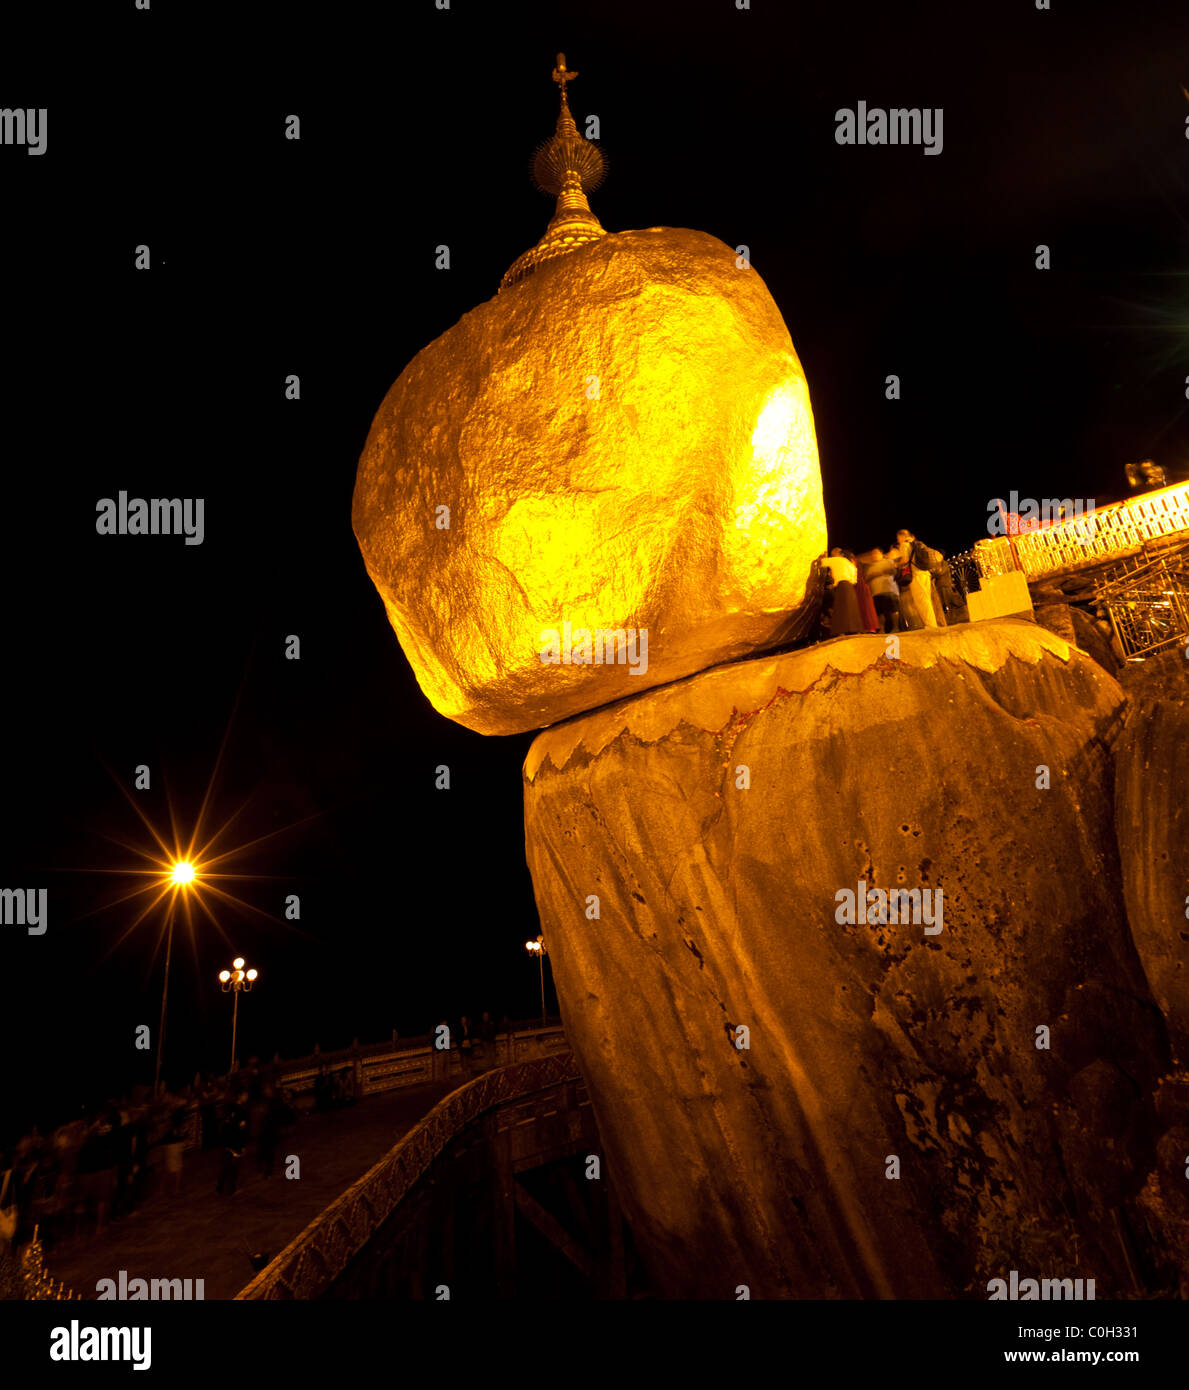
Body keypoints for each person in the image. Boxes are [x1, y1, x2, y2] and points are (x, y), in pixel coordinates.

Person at [821, 549, 864, 637]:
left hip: (841, 585)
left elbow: (822, 562)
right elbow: (854, 580)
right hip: (850, 586)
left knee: (841, 608)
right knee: (851, 608)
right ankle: (854, 629)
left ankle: (842, 630)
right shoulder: (850, 564)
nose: (832, 555)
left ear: (838, 554)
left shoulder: (837, 560)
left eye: (833, 554)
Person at [215, 1094, 249, 1197]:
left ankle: (220, 1188)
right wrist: (242, 1145)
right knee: (234, 1167)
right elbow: (241, 1129)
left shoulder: (230, 1108)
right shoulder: (241, 1111)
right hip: (235, 1142)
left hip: (227, 1141)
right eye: (244, 1094)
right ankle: (232, 1189)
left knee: (226, 1166)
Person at [862, 548, 901, 633]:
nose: (874, 555)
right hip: (876, 592)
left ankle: (896, 627)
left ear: (881, 554)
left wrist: (878, 573)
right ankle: (882, 629)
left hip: (889, 590)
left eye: (876, 553)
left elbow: (894, 571)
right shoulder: (870, 567)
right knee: (880, 612)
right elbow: (867, 578)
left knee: (893, 610)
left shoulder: (888, 562)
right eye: (872, 554)